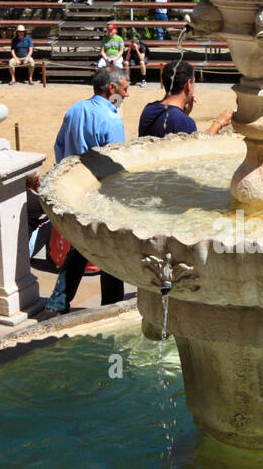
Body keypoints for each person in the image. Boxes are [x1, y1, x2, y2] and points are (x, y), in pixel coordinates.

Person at [45, 68, 130, 314]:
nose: (127, 94)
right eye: (124, 89)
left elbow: (59, 147)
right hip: (102, 194)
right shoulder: (111, 120)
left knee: (82, 245)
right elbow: (116, 163)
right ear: (111, 89)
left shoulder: (74, 110)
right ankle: (111, 308)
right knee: (110, 250)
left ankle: (58, 300)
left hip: (75, 189)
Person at [138, 59, 232, 137]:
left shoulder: (148, 109)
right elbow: (197, 149)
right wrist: (219, 123)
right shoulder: (184, 122)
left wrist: (184, 113)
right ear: (188, 85)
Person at [25, 173, 52, 261]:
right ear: (38, 180)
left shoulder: (13, 195)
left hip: (8, 246)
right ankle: (51, 258)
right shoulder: (37, 201)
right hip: (25, 250)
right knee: (51, 221)